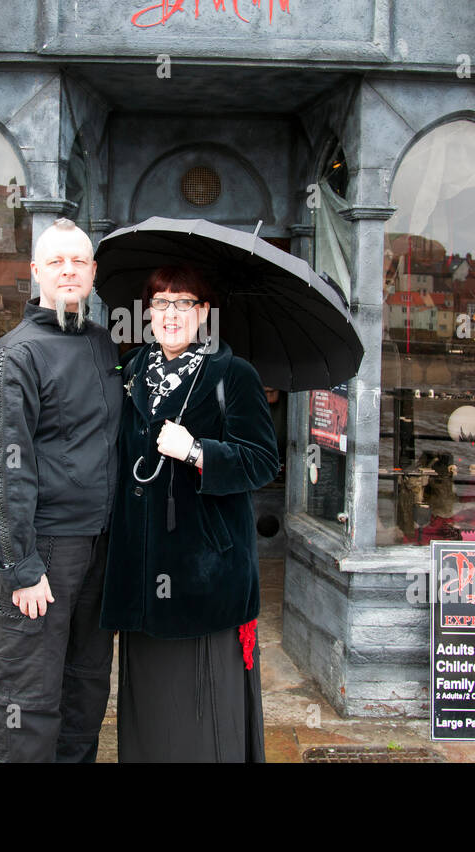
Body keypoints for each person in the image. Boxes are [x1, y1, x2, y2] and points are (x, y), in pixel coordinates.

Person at [100, 264, 280, 762]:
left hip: (206, 572)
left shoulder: (233, 375)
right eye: (161, 303)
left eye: (184, 303)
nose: (171, 314)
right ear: (147, 313)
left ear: (203, 312)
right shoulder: (132, 369)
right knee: (150, 708)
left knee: (201, 713)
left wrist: (199, 451)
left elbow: (263, 462)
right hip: (141, 563)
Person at [0, 218, 122, 762]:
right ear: (35, 272)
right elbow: (1, 469)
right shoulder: (16, 355)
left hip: (99, 549)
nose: (68, 271)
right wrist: (21, 567)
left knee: (85, 689)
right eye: (56, 262)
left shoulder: (104, 345)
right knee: (28, 696)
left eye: (78, 261)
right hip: (45, 553)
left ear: (92, 273)